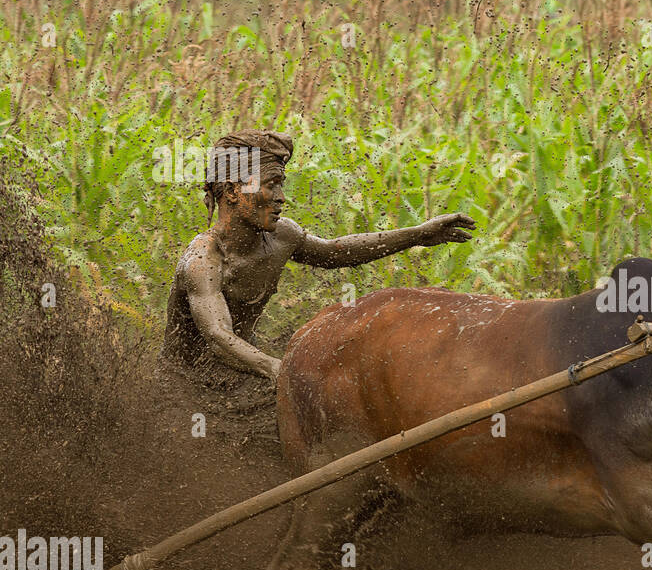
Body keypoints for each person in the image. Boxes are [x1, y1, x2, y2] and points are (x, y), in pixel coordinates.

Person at [162, 130, 475, 382]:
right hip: (186, 388)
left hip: (246, 380)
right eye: (271, 186)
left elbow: (337, 252)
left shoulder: (281, 236)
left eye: (281, 185)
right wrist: (279, 369)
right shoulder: (203, 262)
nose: (281, 198)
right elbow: (219, 337)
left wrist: (418, 234)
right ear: (232, 192)